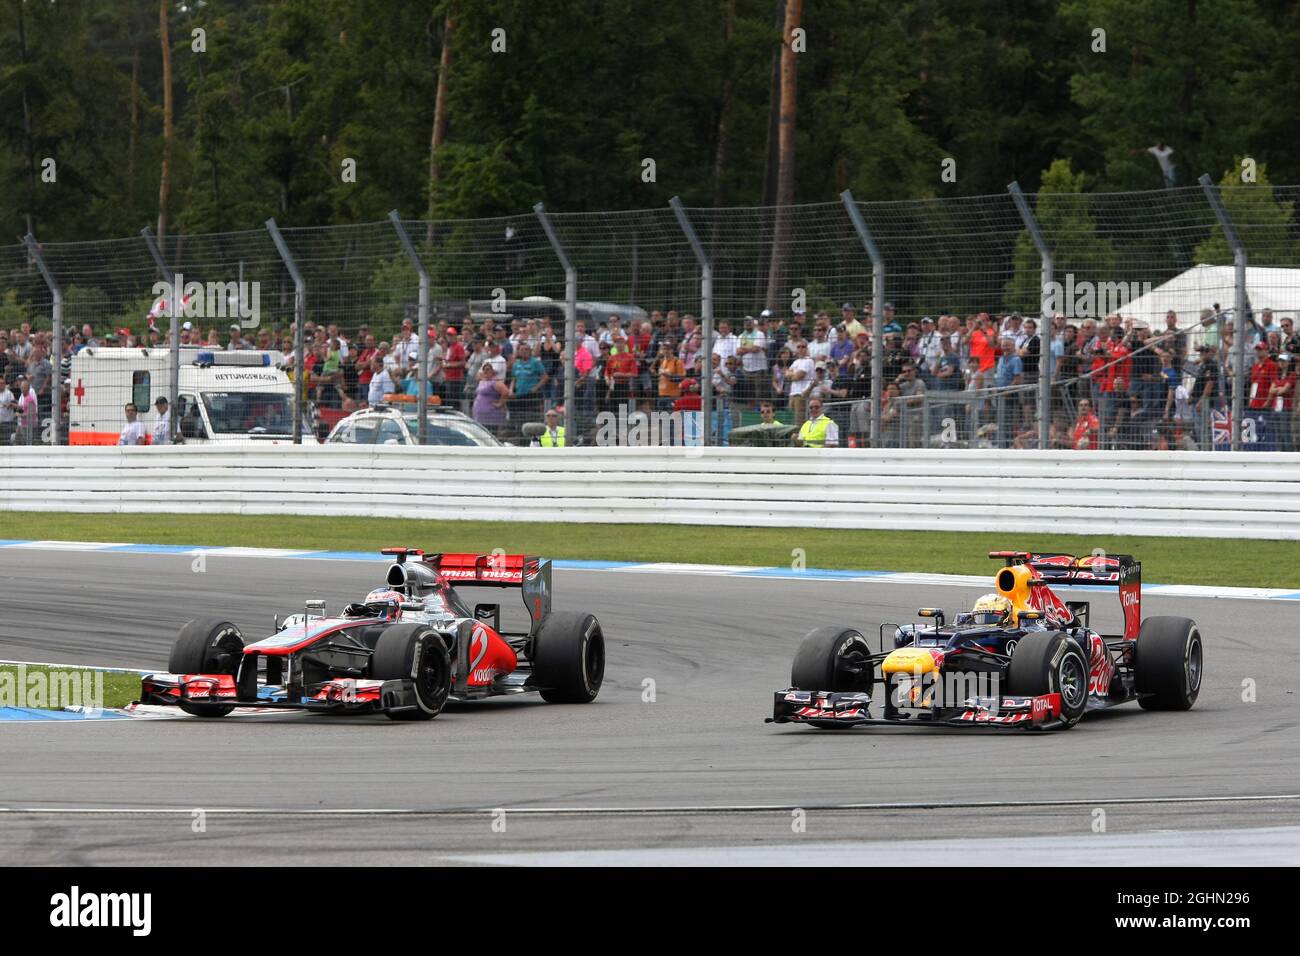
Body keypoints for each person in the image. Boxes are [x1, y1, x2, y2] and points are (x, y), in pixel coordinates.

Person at [472, 363, 512, 435]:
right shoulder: (482, 381)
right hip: (480, 415)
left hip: (490, 416)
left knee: (490, 434)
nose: (485, 371)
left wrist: (500, 403)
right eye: (484, 369)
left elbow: (506, 392)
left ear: (492, 372)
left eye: (488, 369)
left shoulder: (495, 382)